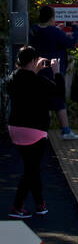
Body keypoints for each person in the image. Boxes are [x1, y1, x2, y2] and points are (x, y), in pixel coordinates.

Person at [7, 45, 56, 218]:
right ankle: (17, 207)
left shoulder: (12, 78)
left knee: (32, 168)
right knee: (31, 170)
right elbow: (58, 92)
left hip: (14, 128)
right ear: (34, 61)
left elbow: (24, 80)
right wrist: (55, 71)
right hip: (35, 130)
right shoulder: (39, 82)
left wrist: (34, 70)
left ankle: (40, 204)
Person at [29, 6, 78, 139]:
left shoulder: (33, 30)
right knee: (59, 101)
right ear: (52, 18)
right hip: (54, 70)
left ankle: (41, 131)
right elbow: (71, 42)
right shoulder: (54, 31)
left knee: (41, 102)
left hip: (38, 69)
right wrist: (74, 27)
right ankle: (66, 131)